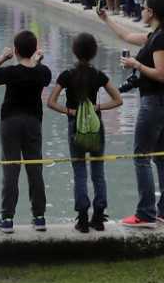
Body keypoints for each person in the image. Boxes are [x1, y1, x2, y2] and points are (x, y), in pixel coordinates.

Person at [107, 0, 164, 227]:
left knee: (141, 157)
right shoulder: (158, 36)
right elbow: (127, 35)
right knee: (161, 157)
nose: (141, 9)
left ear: (153, 12)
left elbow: (161, 74)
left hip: (156, 103)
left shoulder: (162, 40)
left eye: (145, 7)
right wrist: (105, 19)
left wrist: (136, 65)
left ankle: (146, 213)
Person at [46, 31, 120, 233]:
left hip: (75, 126)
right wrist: (98, 108)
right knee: (98, 171)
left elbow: (51, 102)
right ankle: (99, 216)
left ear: (74, 51)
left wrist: (69, 111)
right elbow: (118, 100)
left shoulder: (67, 75)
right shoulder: (98, 75)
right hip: (96, 127)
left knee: (79, 173)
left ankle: (82, 218)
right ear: (94, 52)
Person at [0, 28, 50, 231]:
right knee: (35, 169)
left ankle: (7, 218)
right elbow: (34, 72)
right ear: (34, 50)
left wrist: (3, 57)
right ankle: (39, 216)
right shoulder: (43, 72)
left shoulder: (10, 72)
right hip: (33, 122)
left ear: (15, 50)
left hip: (10, 122)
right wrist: (37, 60)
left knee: (10, 170)